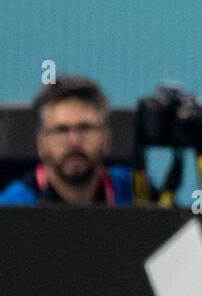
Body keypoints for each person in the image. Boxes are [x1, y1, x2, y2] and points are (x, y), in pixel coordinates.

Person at [0, 77, 132, 207]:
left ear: (106, 139)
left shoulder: (134, 195)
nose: (74, 141)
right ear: (41, 143)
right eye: (61, 130)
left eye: (85, 128)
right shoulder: (11, 207)